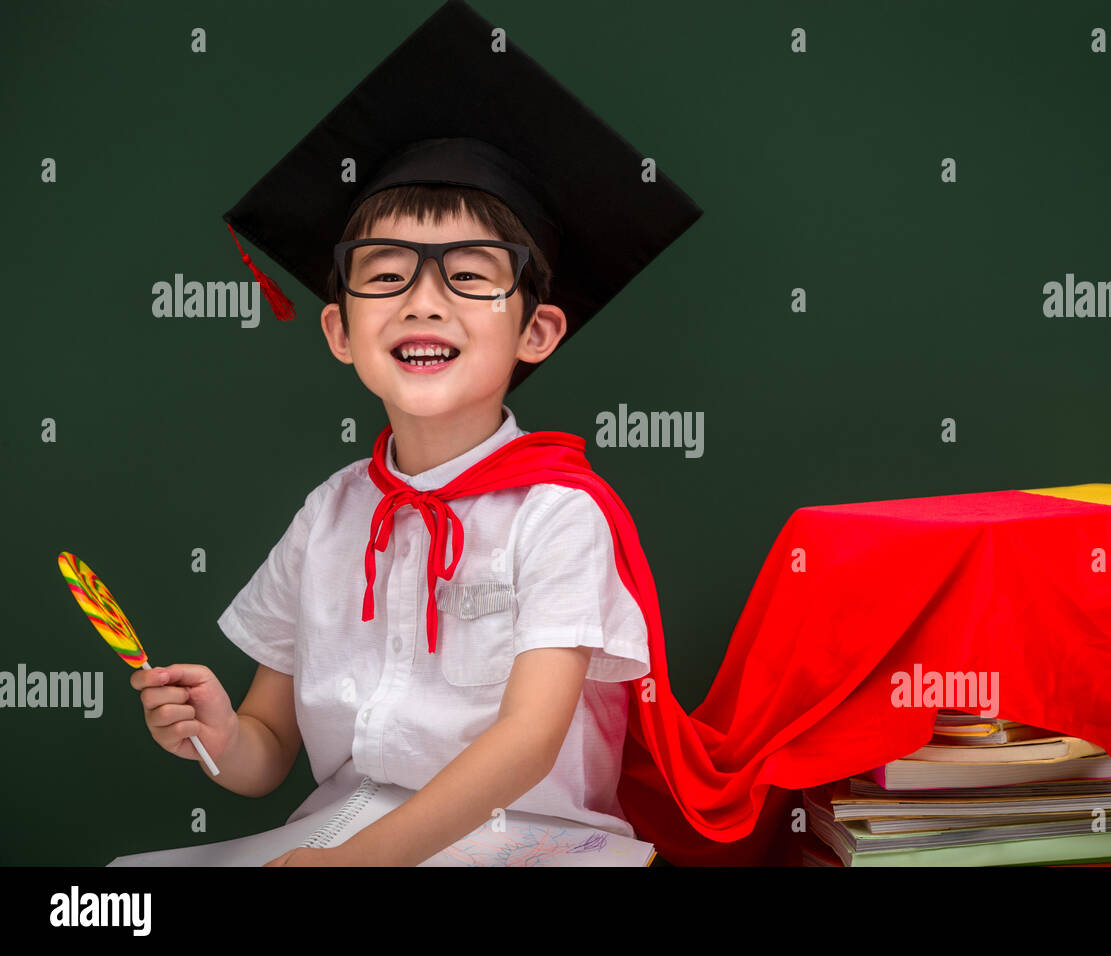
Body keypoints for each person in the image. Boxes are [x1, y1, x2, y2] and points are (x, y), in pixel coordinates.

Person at [129, 0, 701, 866]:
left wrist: (357, 865)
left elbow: (527, 744)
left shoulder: (558, 517)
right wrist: (217, 735)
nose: (423, 299)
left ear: (536, 333)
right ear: (340, 332)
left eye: (470, 275)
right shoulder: (328, 518)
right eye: (386, 273)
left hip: (533, 842)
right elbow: (269, 750)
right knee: (108, 902)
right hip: (340, 829)